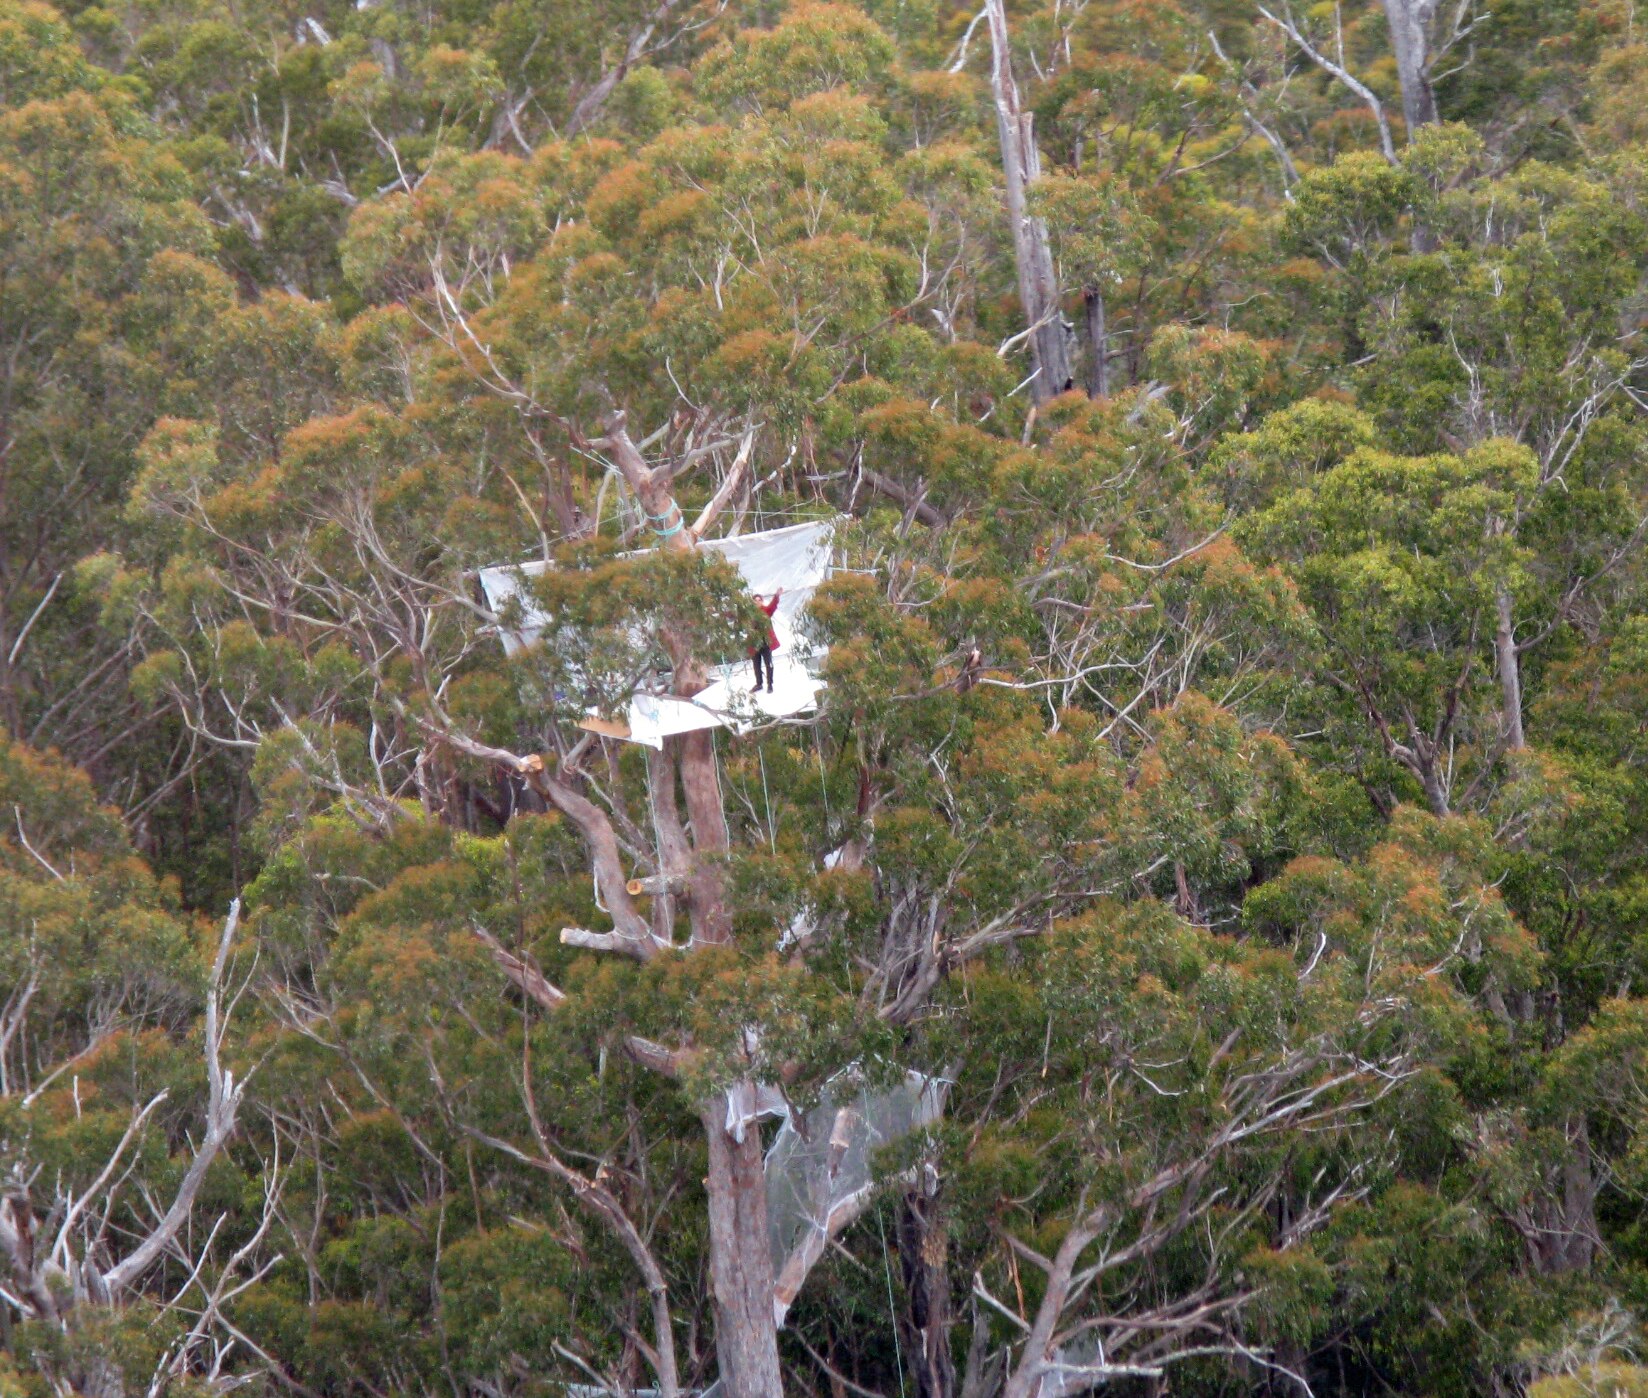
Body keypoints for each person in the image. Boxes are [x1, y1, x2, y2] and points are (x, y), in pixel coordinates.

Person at [749, 588, 781, 693]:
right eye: (755, 601)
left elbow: (772, 606)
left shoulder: (765, 611)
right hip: (755, 644)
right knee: (756, 665)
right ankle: (759, 684)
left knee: (769, 664)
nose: (757, 602)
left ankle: (770, 684)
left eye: (759, 600)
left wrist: (776, 596)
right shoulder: (750, 614)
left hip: (766, 643)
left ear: (762, 601)